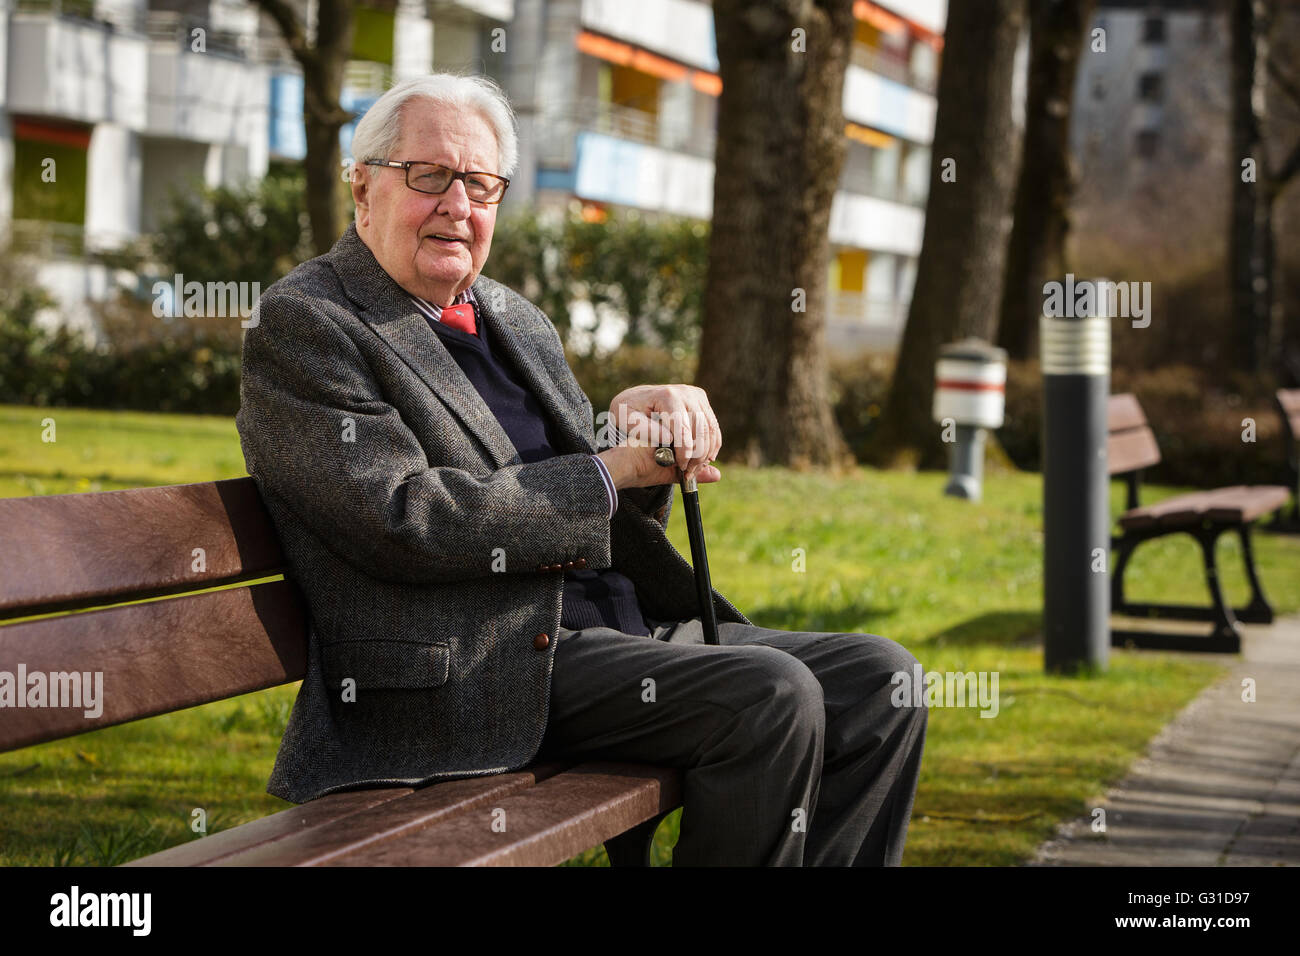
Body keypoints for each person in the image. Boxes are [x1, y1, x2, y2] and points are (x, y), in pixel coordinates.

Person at [235, 73, 928, 866]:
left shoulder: (514, 317)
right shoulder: (308, 322)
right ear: (363, 187)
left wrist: (643, 428)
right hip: (479, 666)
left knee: (884, 680)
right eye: (428, 176)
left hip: (614, 632)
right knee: (771, 696)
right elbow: (401, 517)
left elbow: (595, 496)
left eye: (481, 184)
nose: (457, 204)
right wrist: (606, 471)